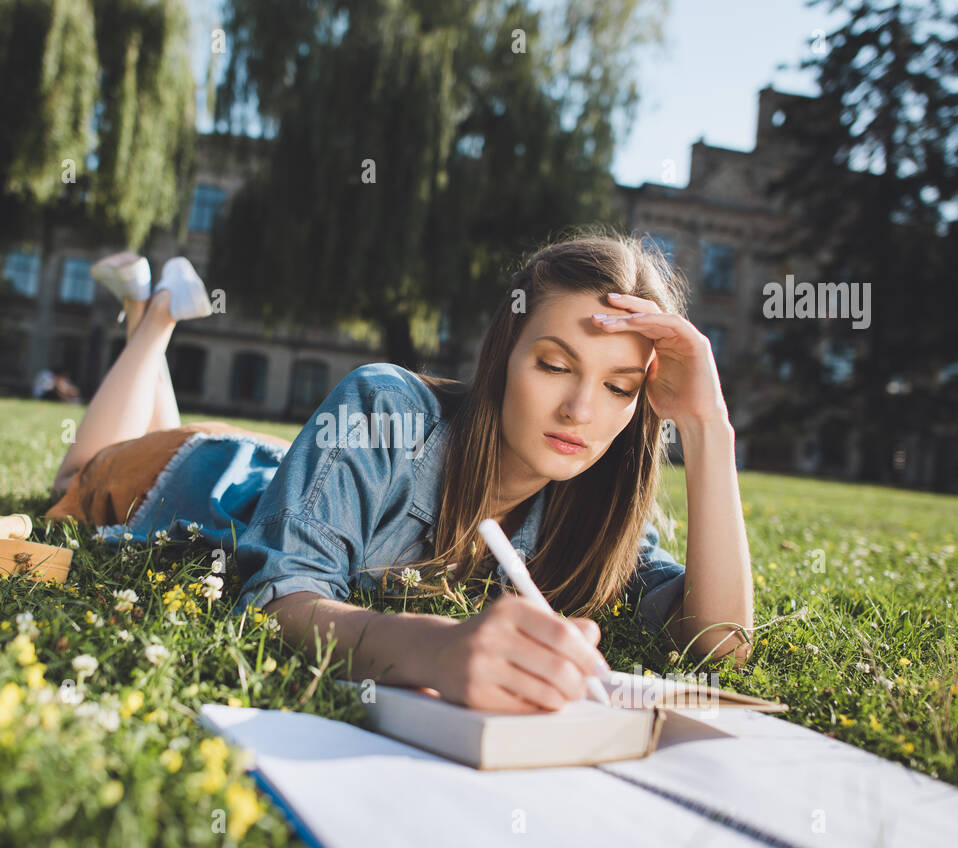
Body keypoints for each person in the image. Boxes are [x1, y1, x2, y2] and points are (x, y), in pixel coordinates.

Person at [46, 230, 754, 714]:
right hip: (184, 475)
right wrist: (436, 650)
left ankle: (147, 305)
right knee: (73, 476)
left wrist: (708, 429)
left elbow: (721, 643)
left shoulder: (595, 512)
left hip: (292, 468)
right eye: (553, 364)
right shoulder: (388, 406)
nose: (579, 409)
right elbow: (275, 598)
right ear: (503, 356)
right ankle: (158, 316)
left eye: (620, 387)